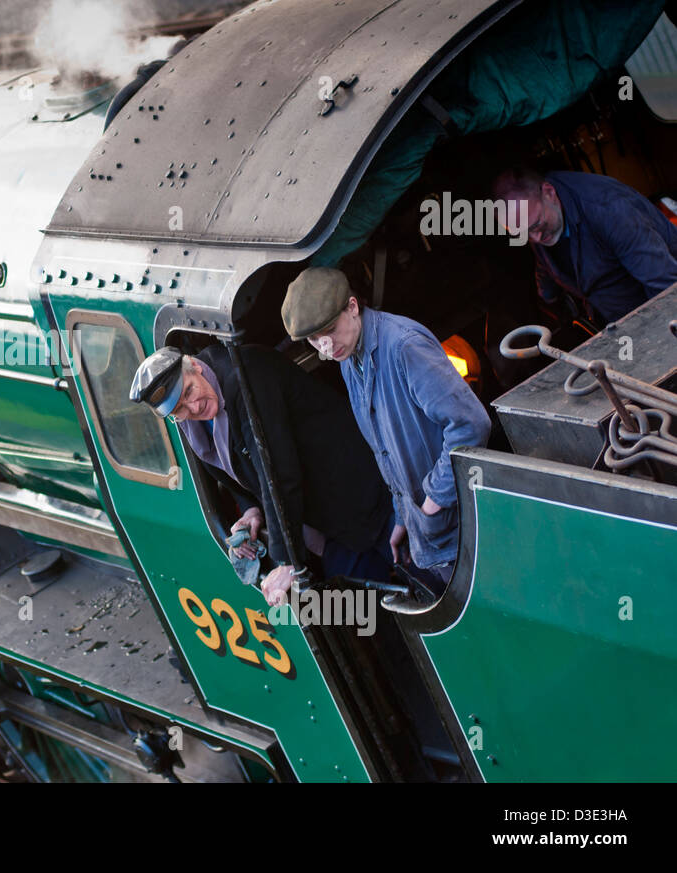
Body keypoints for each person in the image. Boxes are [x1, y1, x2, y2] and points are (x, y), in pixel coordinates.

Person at [129, 342, 396, 606]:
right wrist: (251, 509)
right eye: (179, 410)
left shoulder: (244, 380)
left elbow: (278, 471)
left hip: (362, 497)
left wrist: (286, 561)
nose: (194, 408)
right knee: (362, 614)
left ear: (195, 366)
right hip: (322, 522)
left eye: (189, 392)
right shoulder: (192, 419)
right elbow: (232, 467)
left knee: (419, 583)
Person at [282, 267, 491, 603]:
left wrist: (431, 502)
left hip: (462, 532)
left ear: (352, 306)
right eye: (314, 340)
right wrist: (404, 515)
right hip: (427, 534)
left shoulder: (404, 346)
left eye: (330, 331)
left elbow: (470, 425)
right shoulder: (348, 358)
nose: (326, 345)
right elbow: (385, 448)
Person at [492, 166, 677, 325]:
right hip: (616, 324)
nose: (536, 237)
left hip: (657, 314)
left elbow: (666, 287)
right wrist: (547, 293)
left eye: (536, 225)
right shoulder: (536, 219)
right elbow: (544, 261)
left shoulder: (609, 209)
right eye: (523, 235)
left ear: (549, 193)